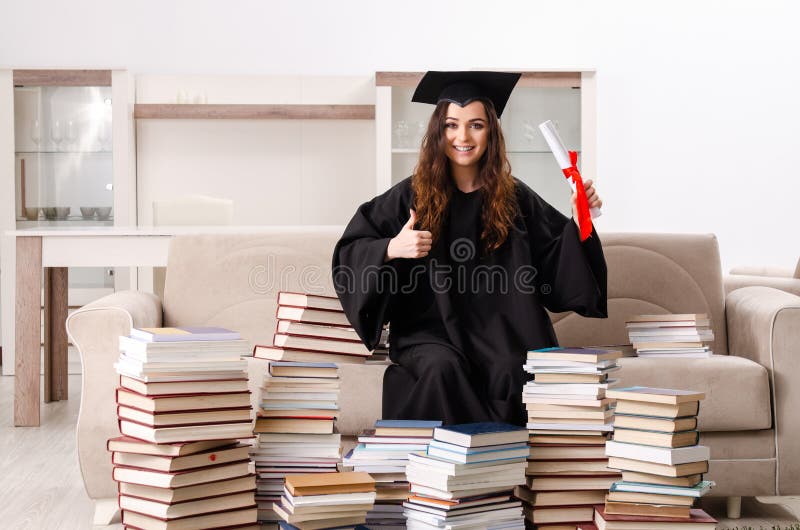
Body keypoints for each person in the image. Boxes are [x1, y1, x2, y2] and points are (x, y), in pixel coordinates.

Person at [332, 71, 607, 426]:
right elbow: (352, 250)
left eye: (476, 125)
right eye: (451, 125)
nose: (462, 137)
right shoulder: (409, 196)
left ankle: (499, 458)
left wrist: (579, 218)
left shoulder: (514, 197)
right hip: (428, 333)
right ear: (438, 131)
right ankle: (452, 458)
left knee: (512, 369)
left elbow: (555, 257)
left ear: (491, 132)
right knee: (442, 368)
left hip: (501, 330)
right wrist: (391, 248)